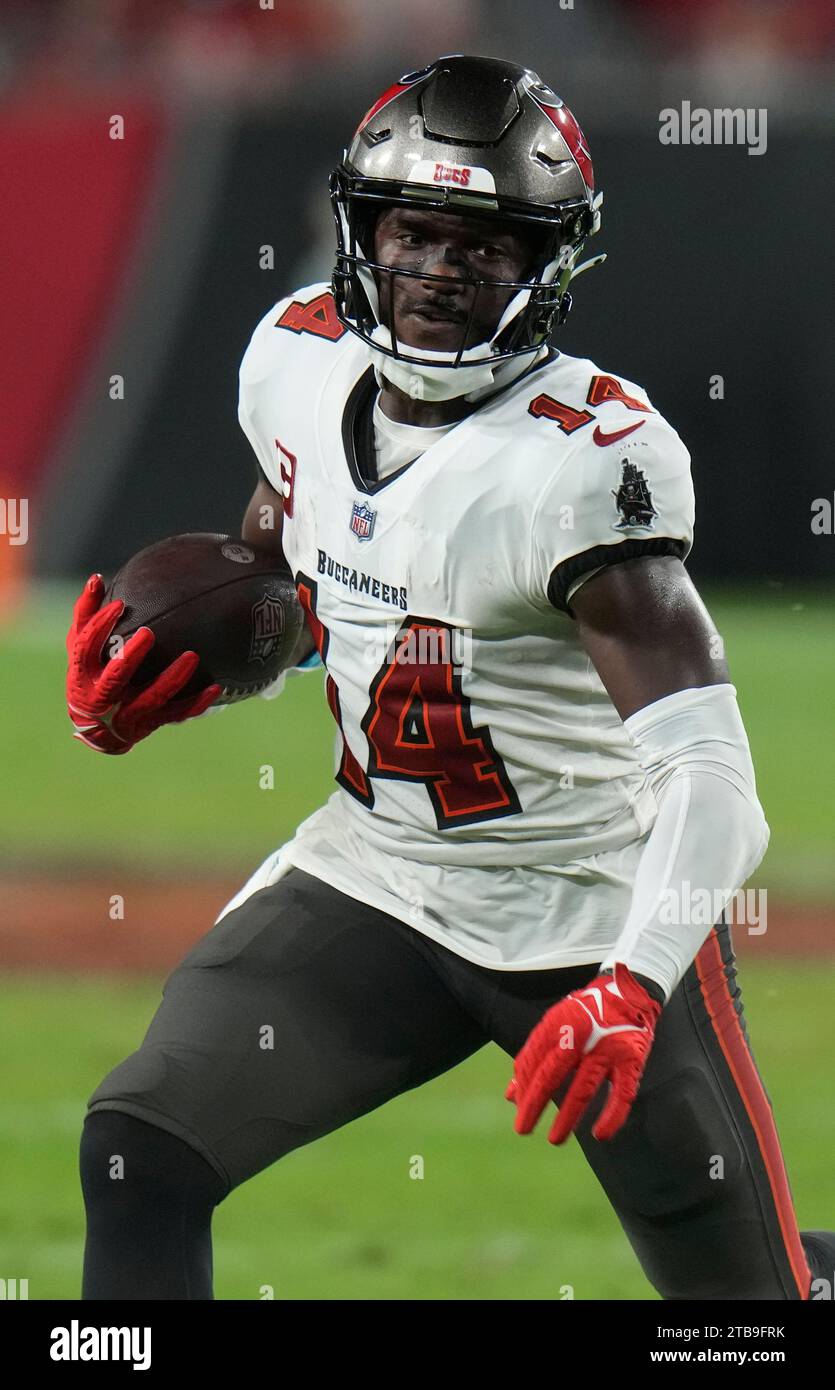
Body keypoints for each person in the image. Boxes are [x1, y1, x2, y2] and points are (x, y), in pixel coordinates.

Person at [70, 55, 835, 1300]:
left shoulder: (585, 462)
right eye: (413, 232)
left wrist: (634, 981)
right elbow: (298, 583)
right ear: (359, 231)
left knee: (746, 1313)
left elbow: (712, 775)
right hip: (378, 880)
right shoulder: (296, 365)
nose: (438, 270)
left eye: (482, 247)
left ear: (549, 266)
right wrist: (194, 676)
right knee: (138, 1148)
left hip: (584, 916)